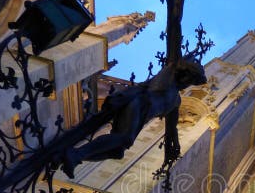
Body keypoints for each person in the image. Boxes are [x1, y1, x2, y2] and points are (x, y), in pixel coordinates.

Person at [60, 56, 206, 178]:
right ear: (184, 71)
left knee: (118, 152)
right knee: (125, 138)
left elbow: (172, 127)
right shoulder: (170, 74)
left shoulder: (176, 101)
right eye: (189, 76)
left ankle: (75, 157)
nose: (187, 81)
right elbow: (178, 59)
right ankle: (75, 154)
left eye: (191, 81)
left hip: (141, 118)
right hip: (138, 102)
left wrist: (175, 147)